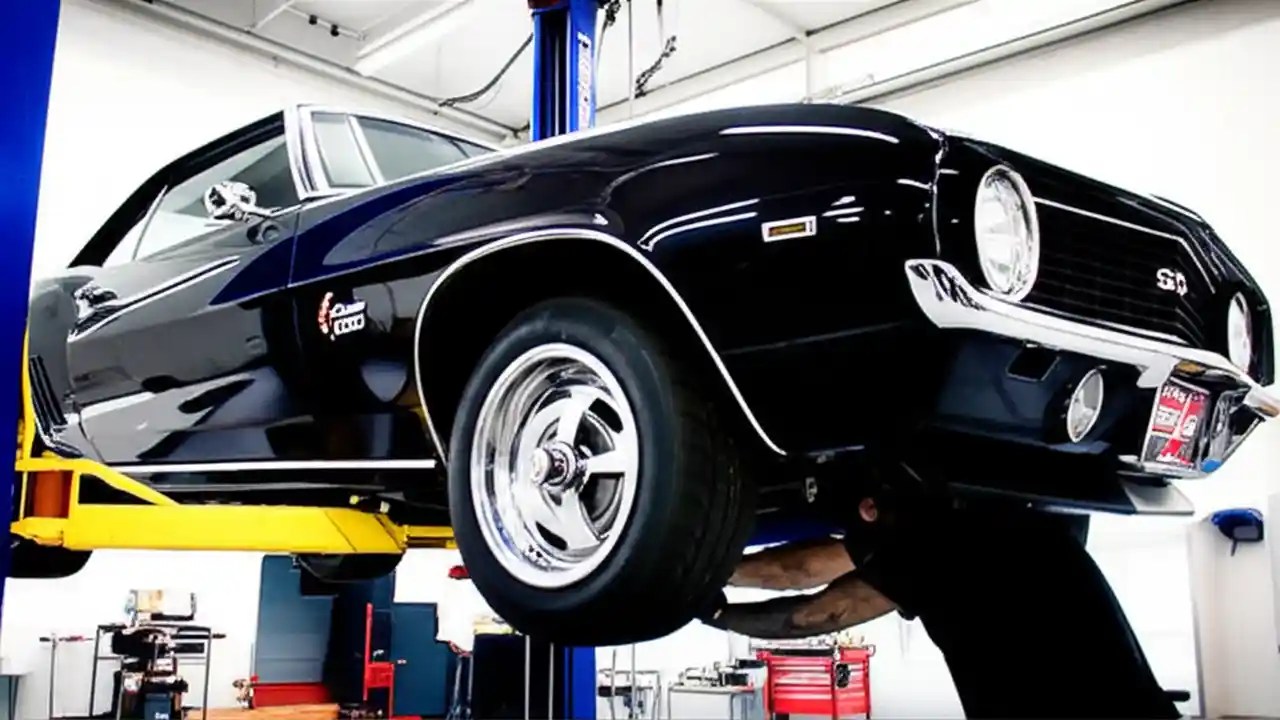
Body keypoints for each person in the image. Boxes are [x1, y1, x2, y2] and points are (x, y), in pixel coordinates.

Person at [700, 476, 1181, 719]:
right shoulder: (944, 549)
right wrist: (709, 605)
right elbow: (813, 606)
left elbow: (813, 580)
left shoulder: (1045, 527)